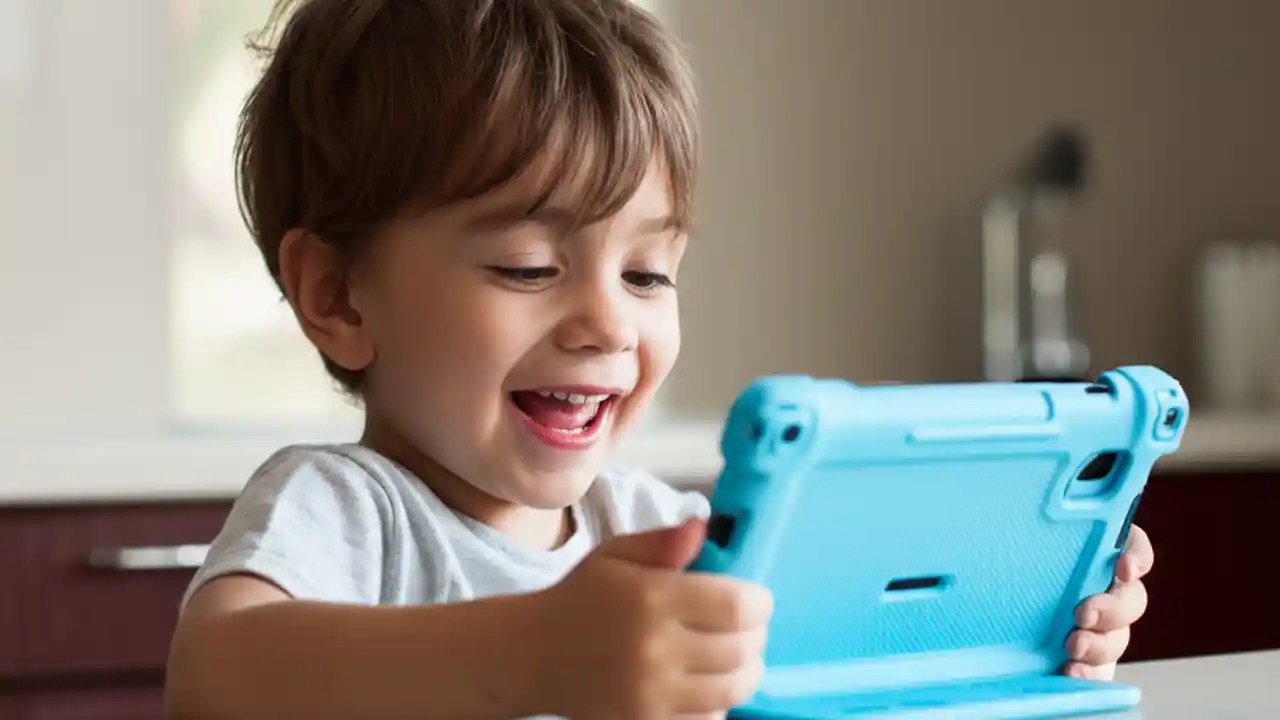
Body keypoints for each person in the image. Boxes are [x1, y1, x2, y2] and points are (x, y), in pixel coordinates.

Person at [165, 1, 1155, 717]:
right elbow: (218, 673)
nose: (607, 324)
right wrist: (536, 652)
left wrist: (1036, 621)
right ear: (337, 296)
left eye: (646, 276)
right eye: (526, 267)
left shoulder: (657, 531)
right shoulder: (343, 510)